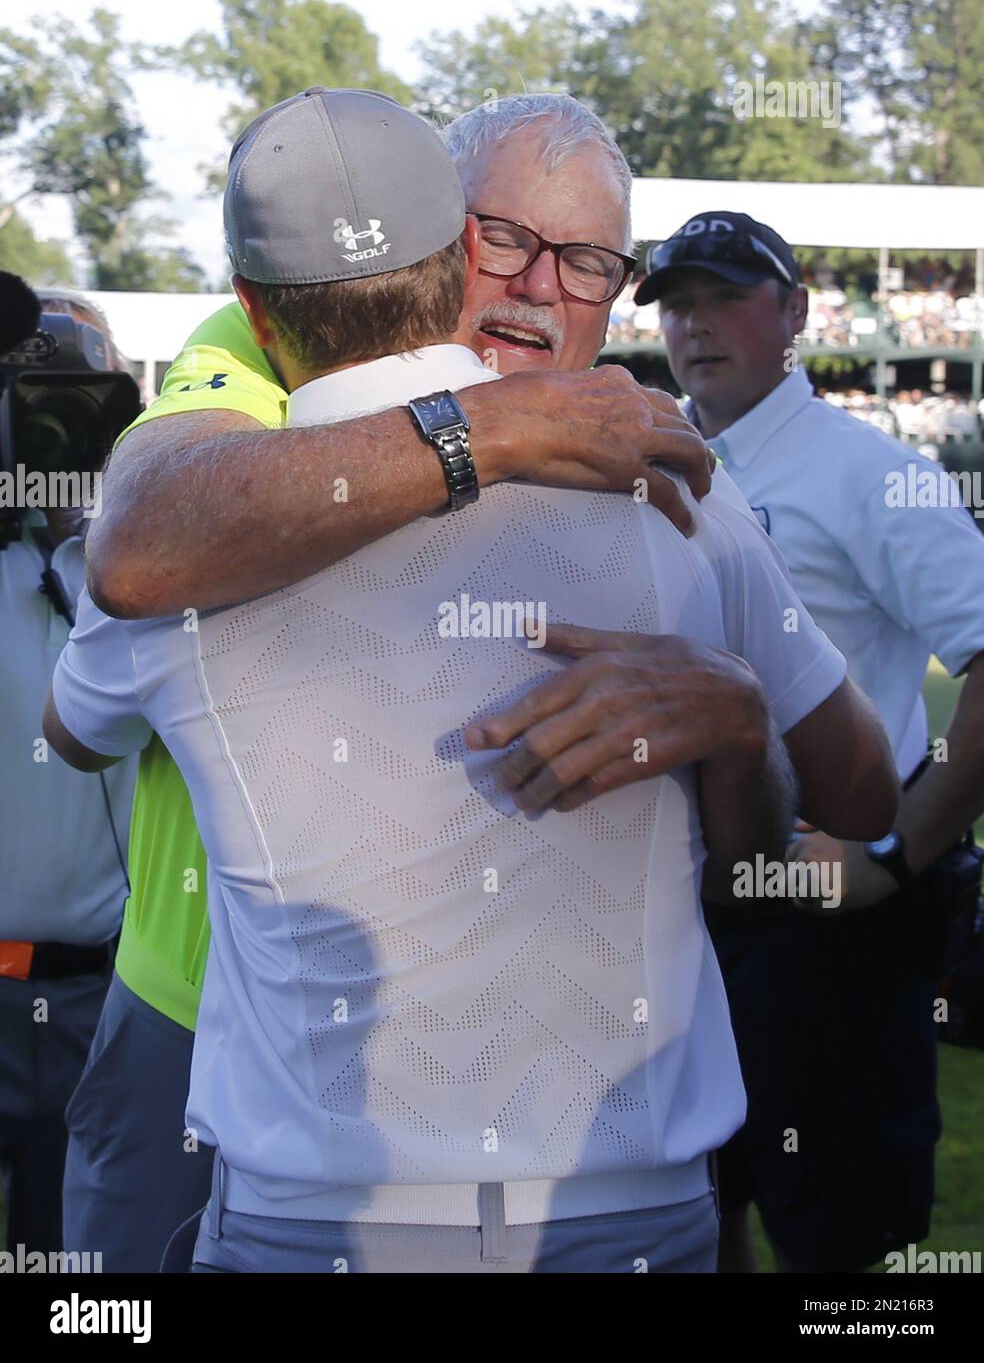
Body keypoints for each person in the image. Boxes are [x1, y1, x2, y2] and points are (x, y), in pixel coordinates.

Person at [45, 88, 888, 1275]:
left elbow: (863, 797)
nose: (543, 287)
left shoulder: (674, 481)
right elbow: (139, 547)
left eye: (590, 260)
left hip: (604, 1200)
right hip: (250, 1117)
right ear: (433, 246)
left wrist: (737, 715)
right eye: (507, 239)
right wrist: (479, 431)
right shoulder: (252, 408)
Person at [639, 209, 984, 1273]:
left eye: (725, 297)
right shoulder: (657, 461)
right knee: (706, 1210)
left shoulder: (874, 474)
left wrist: (893, 858)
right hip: (688, 904)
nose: (695, 325)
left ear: (794, 312)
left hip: (829, 917)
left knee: (839, 1244)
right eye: (677, 303)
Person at [0, 282, 137, 1255]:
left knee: (72, 1261)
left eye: (78, 405)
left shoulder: (147, 571)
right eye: (29, 402)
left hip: (106, 998)